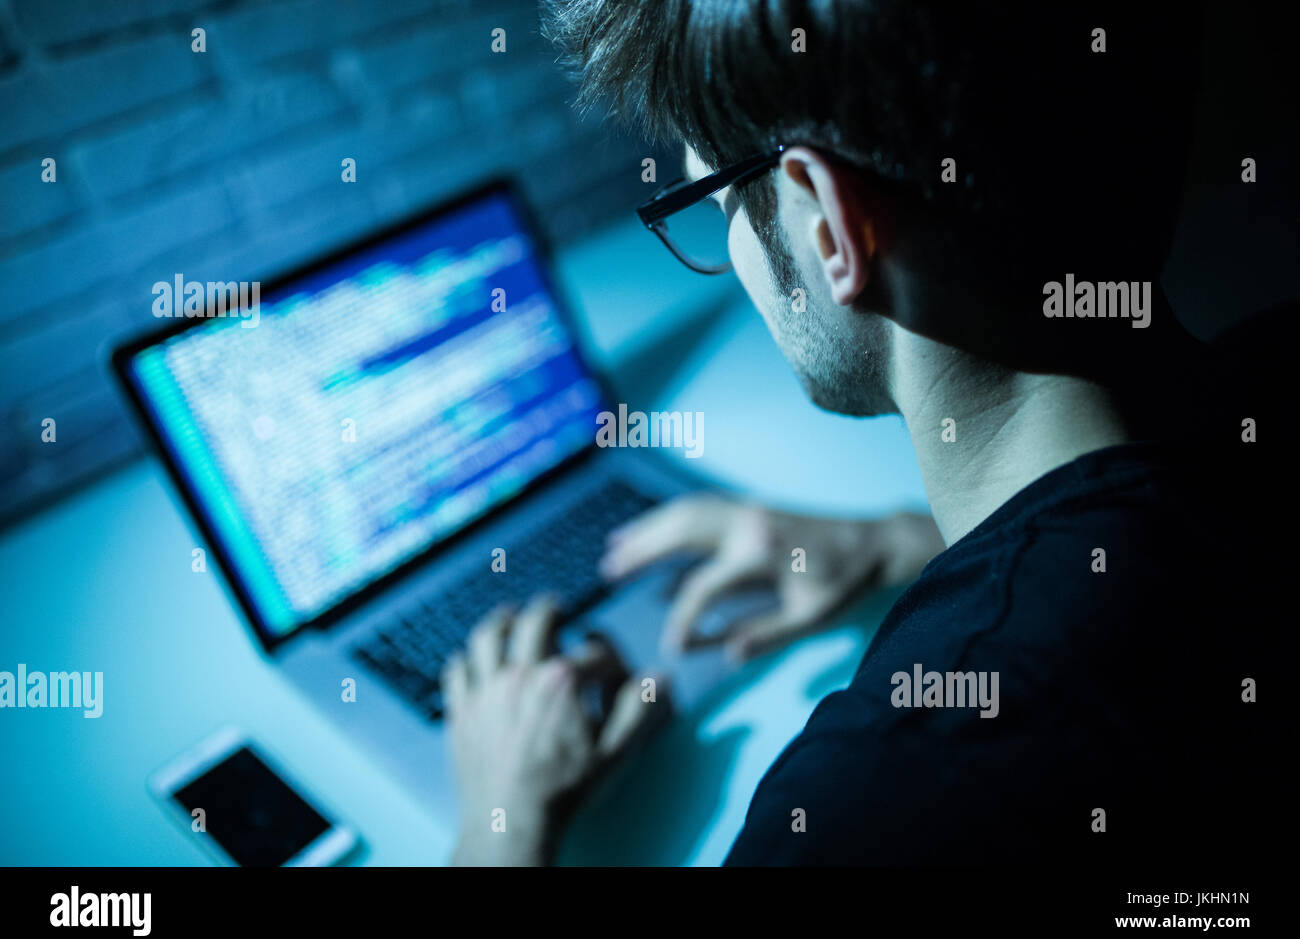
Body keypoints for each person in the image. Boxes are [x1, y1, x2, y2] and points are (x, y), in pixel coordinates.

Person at [443, 1, 1279, 866]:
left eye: (716, 197)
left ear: (829, 224)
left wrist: (500, 818)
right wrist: (899, 546)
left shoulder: (877, 804)